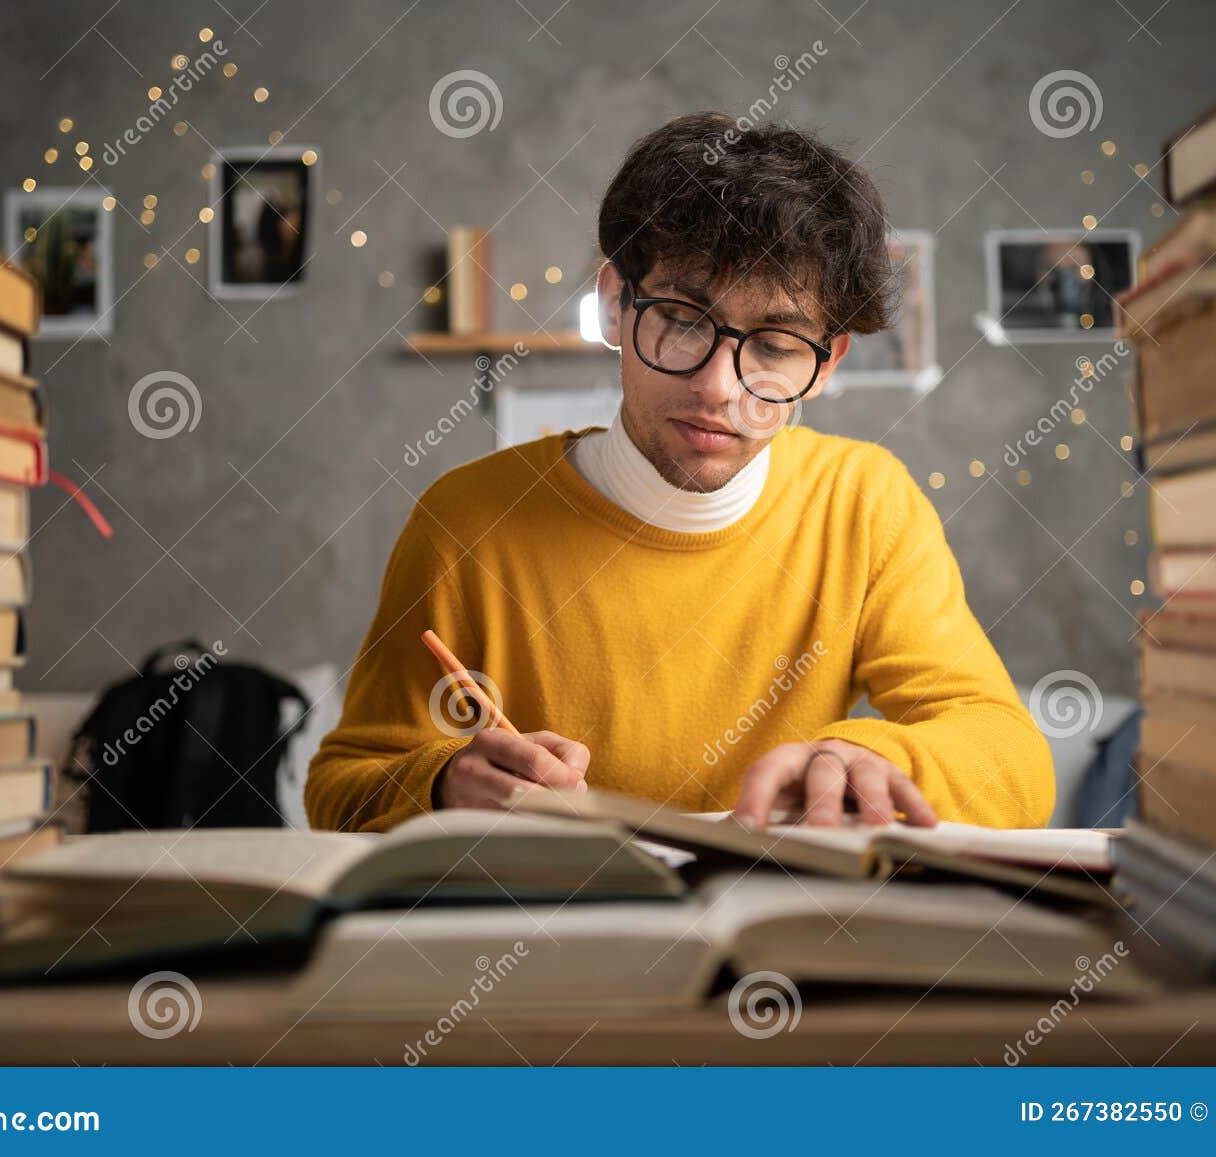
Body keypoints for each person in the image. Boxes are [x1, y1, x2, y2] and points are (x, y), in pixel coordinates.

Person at [306, 112, 1054, 833]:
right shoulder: (465, 519)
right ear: (613, 306)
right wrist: (440, 782)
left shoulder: (866, 502)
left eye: (775, 346)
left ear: (825, 366)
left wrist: (867, 753)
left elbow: (1014, 760)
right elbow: (340, 786)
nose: (719, 388)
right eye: (686, 319)